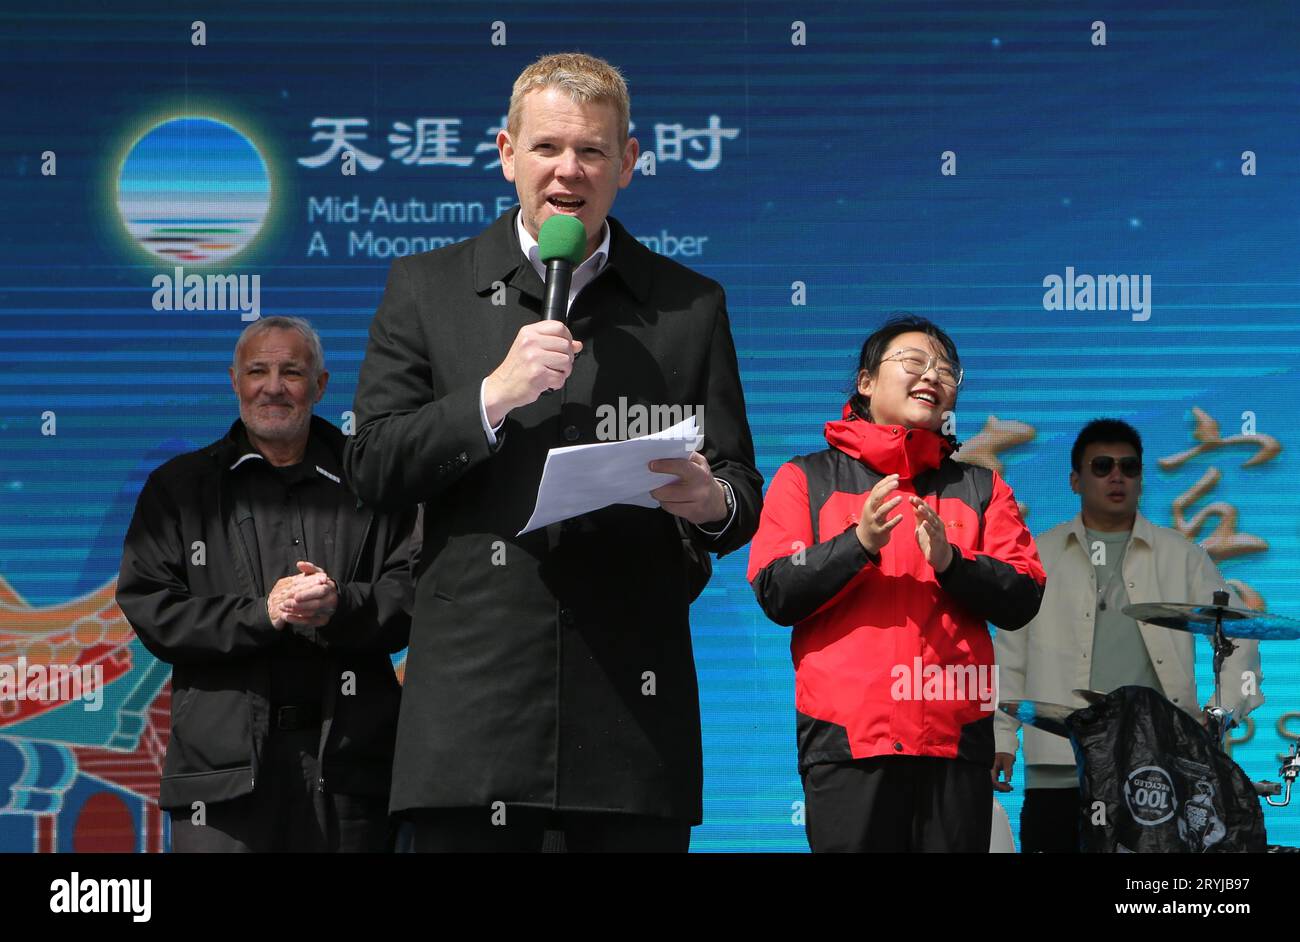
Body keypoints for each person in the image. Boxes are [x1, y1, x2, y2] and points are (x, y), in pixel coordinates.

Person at [342, 52, 761, 852]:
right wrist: (490, 398)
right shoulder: (429, 288)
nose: (569, 170)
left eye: (593, 151)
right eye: (547, 148)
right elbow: (372, 465)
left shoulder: (688, 305)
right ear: (506, 154)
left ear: (628, 163)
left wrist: (711, 503)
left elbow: (740, 485)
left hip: (631, 719)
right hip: (474, 720)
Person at [116, 316, 416, 852]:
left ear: (321, 385)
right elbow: (152, 608)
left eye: (292, 372)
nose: (273, 387)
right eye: (257, 371)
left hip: (350, 776)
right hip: (221, 781)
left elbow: (416, 591)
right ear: (234, 380)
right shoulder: (180, 489)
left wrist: (340, 605)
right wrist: (263, 614)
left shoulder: (372, 481)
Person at [747, 315, 1045, 852]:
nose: (932, 375)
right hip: (847, 740)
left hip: (954, 742)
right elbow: (775, 590)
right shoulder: (805, 478)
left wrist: (954, 564)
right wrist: (856, 544)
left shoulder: (982, 487)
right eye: (914, 361)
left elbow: (1024, 594)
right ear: (865, 382)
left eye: (946, 369)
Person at [992, 418, 1264, 853]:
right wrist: (1001, 738)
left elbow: (1236, 631)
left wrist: (1218, 715)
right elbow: (1009, 656)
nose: (1116, 476)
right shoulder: (1036, 555)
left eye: (1128, 467)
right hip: (1062, 763)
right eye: (1101, 466)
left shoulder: (1183, 556)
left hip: (1160, 767)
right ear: (1075, 480)